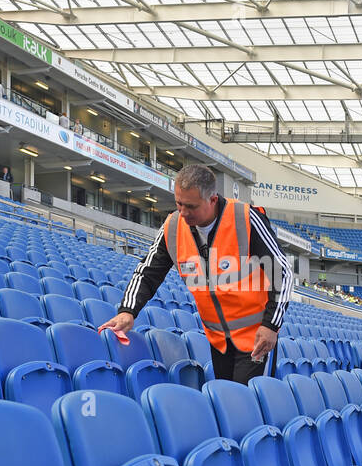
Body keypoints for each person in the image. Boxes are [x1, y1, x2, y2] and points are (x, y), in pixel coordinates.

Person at [103, 165, 290, 385]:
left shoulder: (245, 218)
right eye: (178, 203)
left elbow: (282, 272)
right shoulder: (173, 227)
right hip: (219, 341)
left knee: (247, 406)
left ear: (212, 200)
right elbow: (147, 272)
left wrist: (271, 325)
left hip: (256, 336)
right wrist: (128, 310)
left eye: (190, 206)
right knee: (226, 402)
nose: (183, 212)